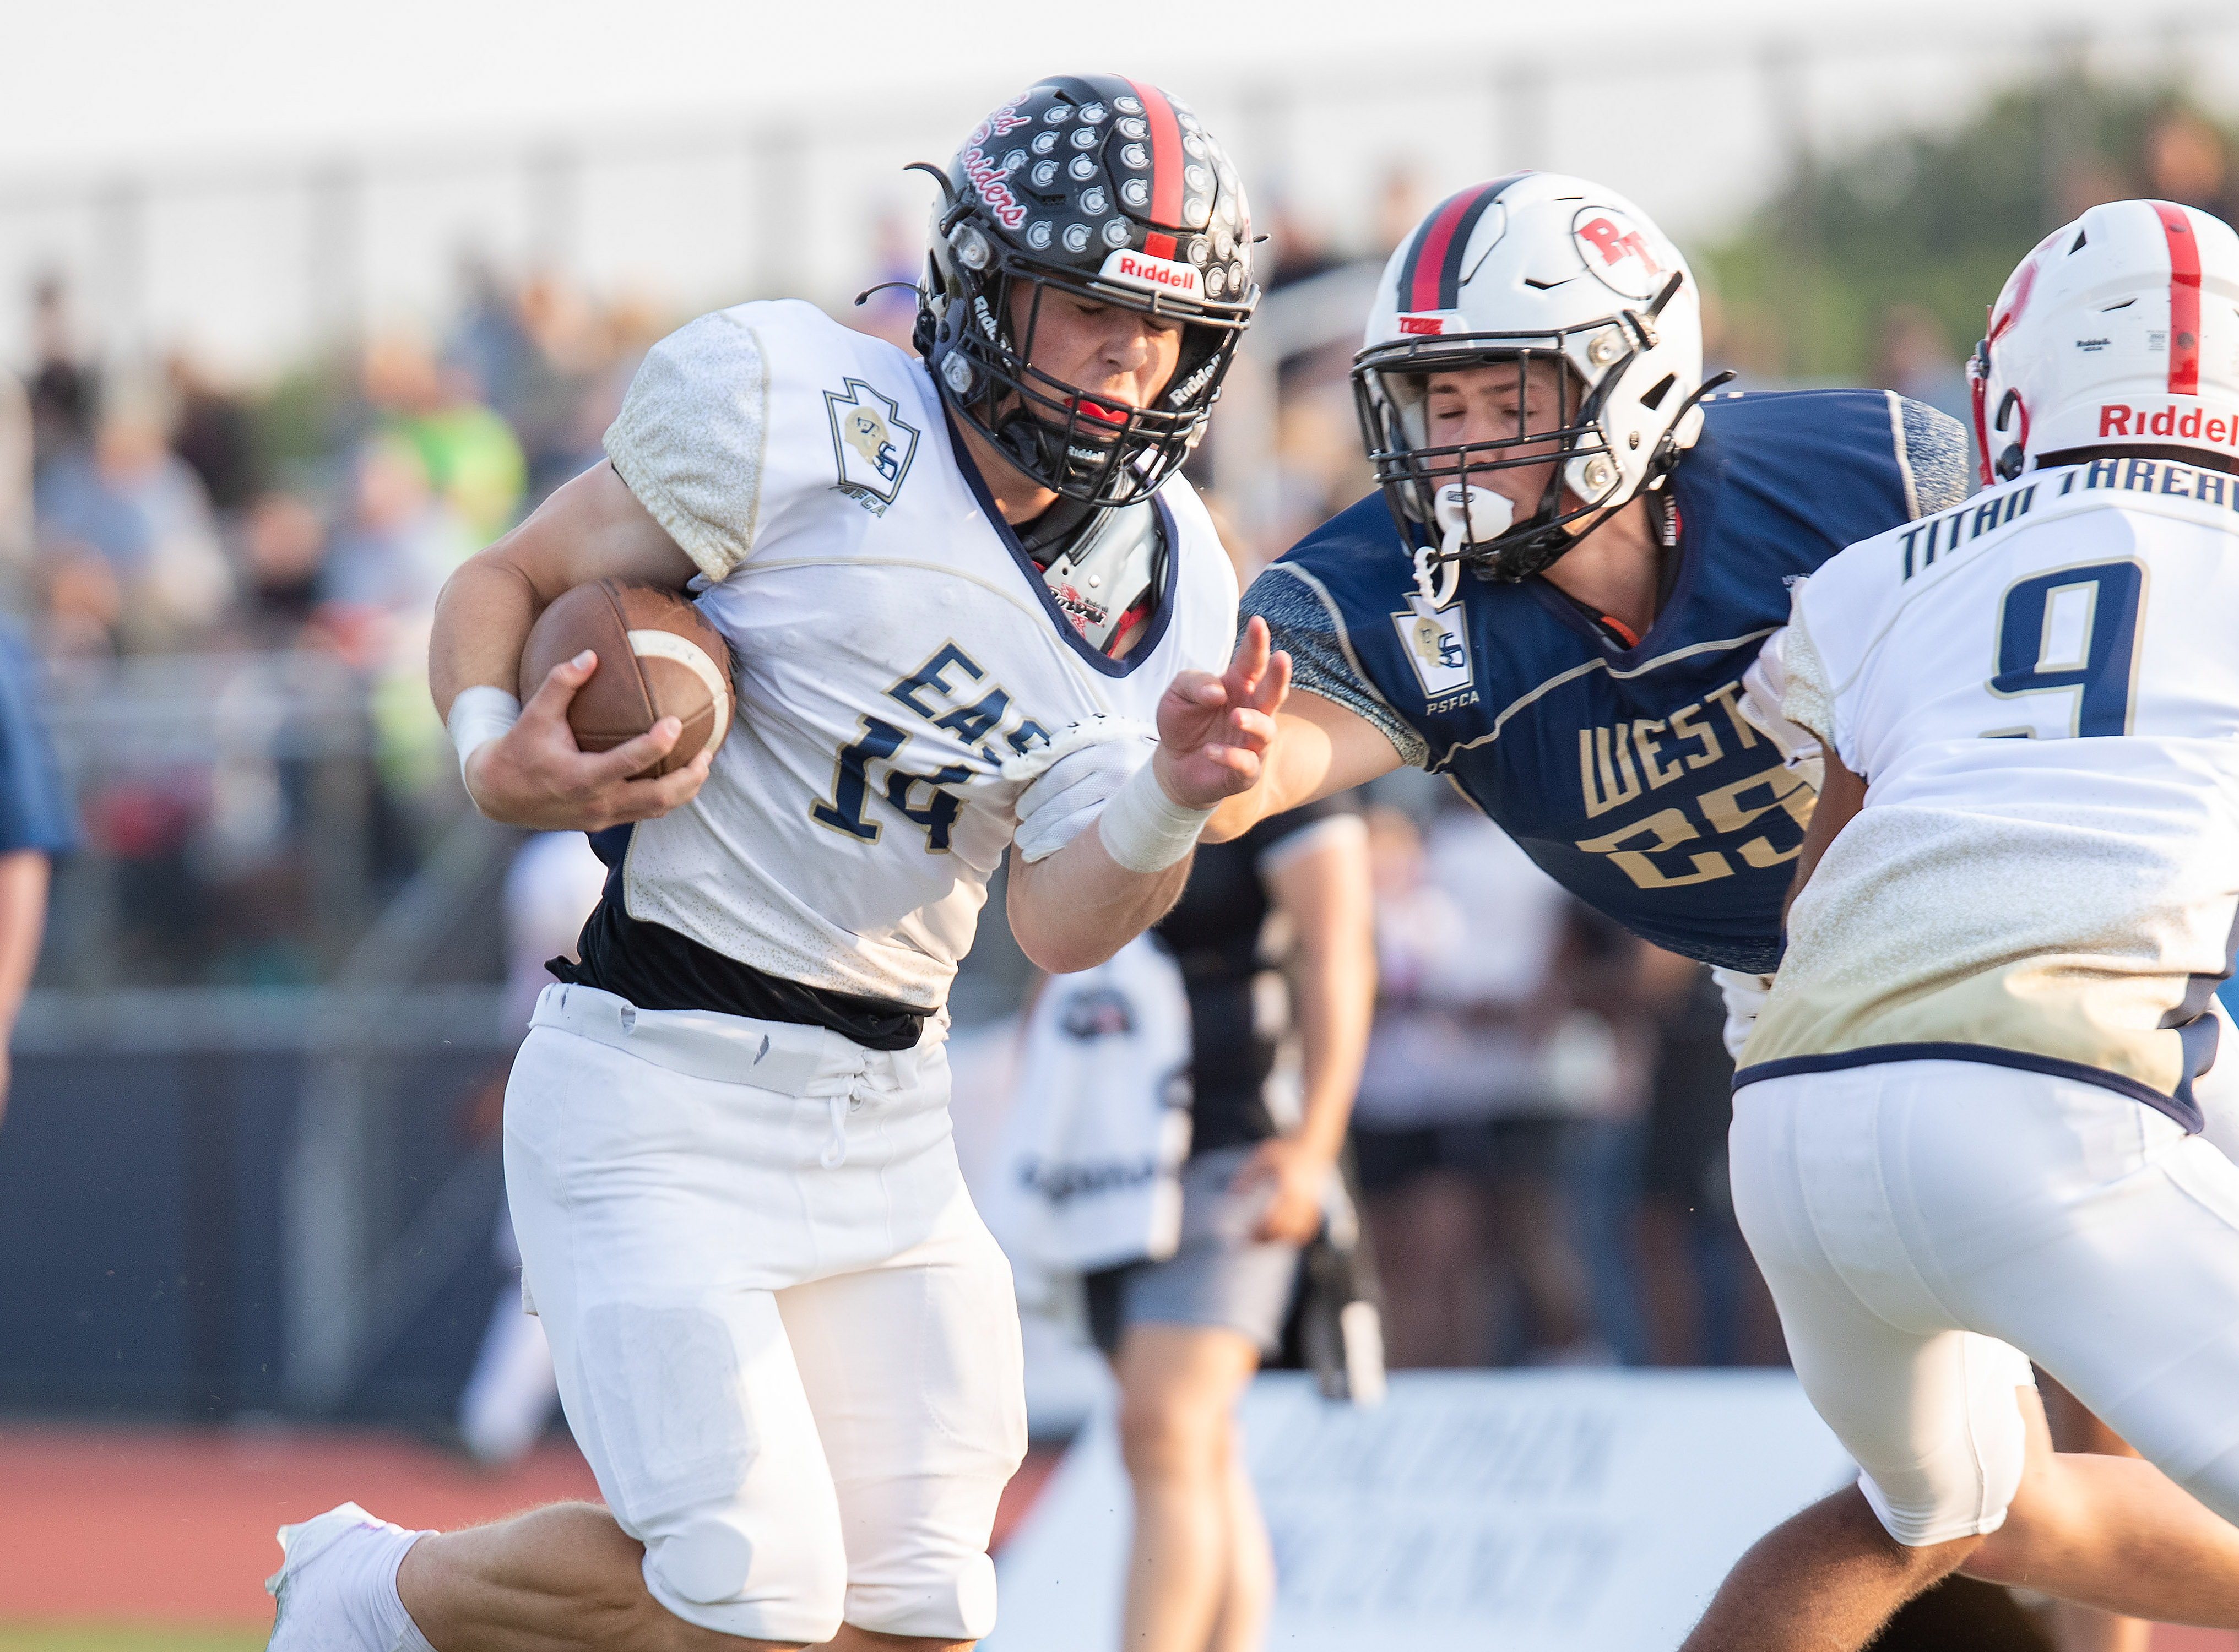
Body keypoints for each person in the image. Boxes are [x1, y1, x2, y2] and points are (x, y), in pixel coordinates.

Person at [263, 72, 1287, 1652]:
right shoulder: (800, 418)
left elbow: (1065, 920)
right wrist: (492, 748)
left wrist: (1164, 796)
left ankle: (380, 1597)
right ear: (983, 277)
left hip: (890, 1117)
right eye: (1088, 307)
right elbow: (509, 574)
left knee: (920, 1613)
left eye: (1162, 328)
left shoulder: (1172, 578)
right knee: (750, 1590)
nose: (1125, 358)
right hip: (656, 1084)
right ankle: (367, 1600)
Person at [1208, 171, 2239, 1626]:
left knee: (1961, 1510)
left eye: (1497, 394)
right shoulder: (1915, 507)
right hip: (2036, 1023)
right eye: (1434, 399)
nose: (1454, 443)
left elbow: (1838, 854)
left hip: (1811, 1055)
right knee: (2036, 1466)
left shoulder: (1878, 538)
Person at [1676, 197, 2239, 1651]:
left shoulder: (1875, 582)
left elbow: (1817, 891)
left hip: (1797, 1128)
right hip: (2050, 1100)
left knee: (1934, 1515)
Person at [1087, 793, 1372, 1652]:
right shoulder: (1099, 742)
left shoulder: (1280, 773)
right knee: (1196, 1444)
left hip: (1241, 1141)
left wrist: (1314, 1143)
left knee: (1164, 1428)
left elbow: (1338, 950)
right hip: (1106, 1159)